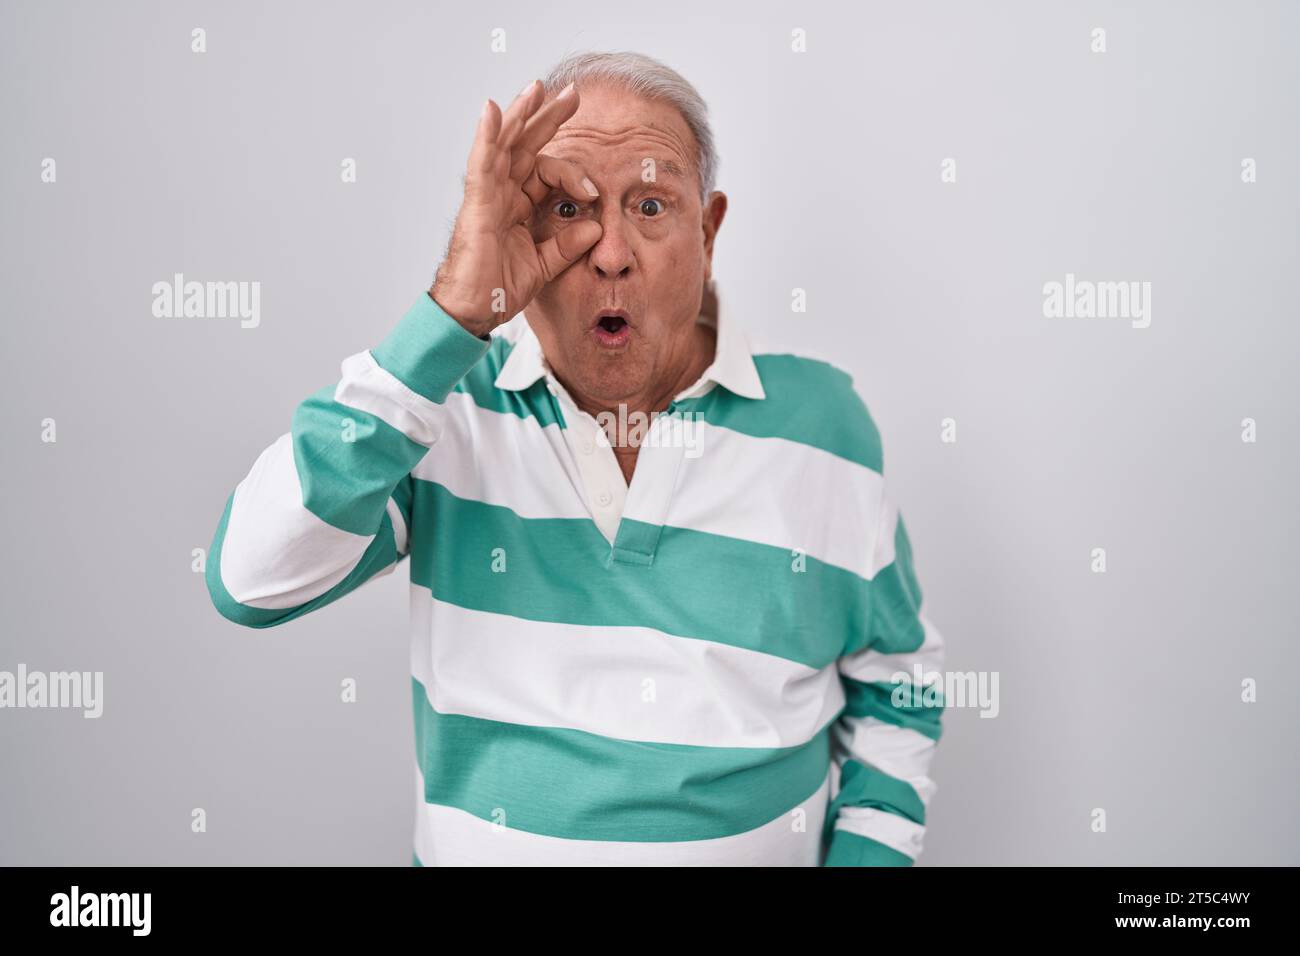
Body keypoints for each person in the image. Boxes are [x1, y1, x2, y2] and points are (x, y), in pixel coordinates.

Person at [205, 50, 946, 866]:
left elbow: (897, 688)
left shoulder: (824, 423)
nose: (610, 253)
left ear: (708, 231)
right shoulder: (441, 408)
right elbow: (250, 580)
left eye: (653, 204)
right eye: (568, 208)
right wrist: (453, 308)